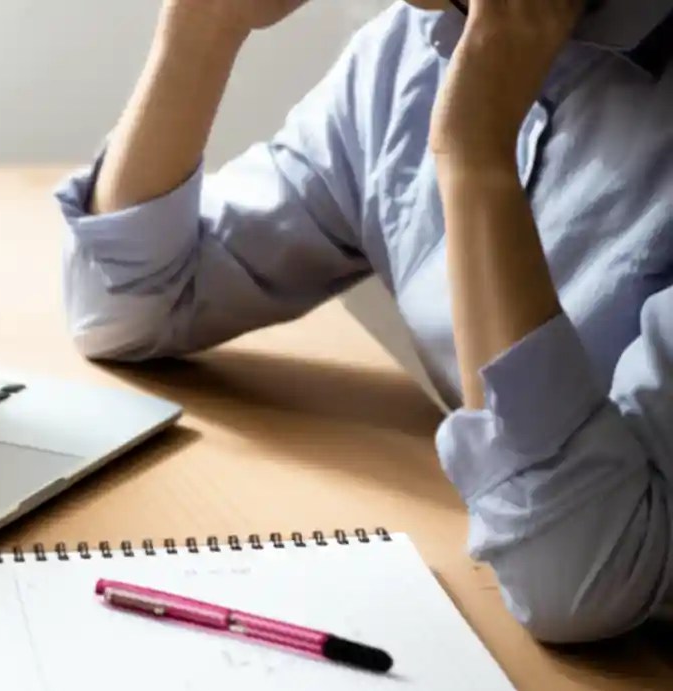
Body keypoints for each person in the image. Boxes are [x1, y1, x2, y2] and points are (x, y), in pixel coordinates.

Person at [56, 0, 673, 644]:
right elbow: (125, 304)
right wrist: (201, 27)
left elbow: (577, 581)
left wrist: (476, 150)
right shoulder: (411, 50)